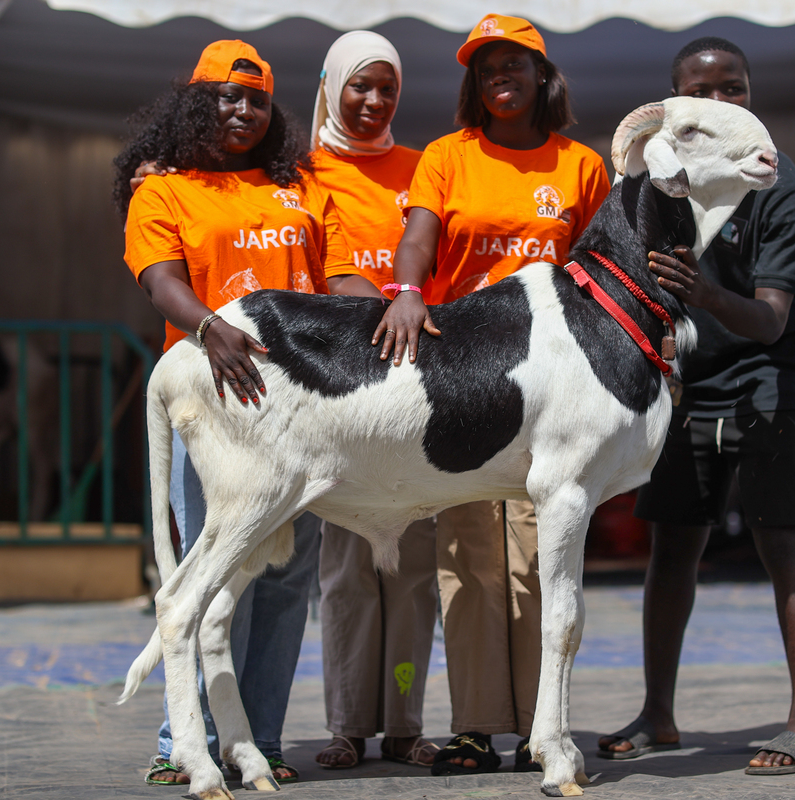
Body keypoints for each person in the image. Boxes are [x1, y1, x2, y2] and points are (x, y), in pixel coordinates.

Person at [596, 37, 795, 774]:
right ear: (673, 106)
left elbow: (769, 321)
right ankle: (658, 714)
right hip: (689, 382)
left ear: (751, 94)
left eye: (733, 88)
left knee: (781, 541)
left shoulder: (780, 186)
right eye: (702, 93)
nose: (721, 102)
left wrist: (702, 293)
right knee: (672, 546)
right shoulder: (662, 184)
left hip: (768, 380)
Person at [374, 14, 610, 775]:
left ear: (543, 75)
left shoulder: (582, 166)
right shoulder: (448, 156)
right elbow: (419, 236)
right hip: (468, 376)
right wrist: (408, 291)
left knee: (544, 557)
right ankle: (475, 727)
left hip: (556, 382)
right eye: (484, 68)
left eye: (513, 63)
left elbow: (601, 270)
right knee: (469, 553)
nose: (499, 76)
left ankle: (545, 728)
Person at [117, 39, 347, 786]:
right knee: (214, 571)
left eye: (258, 101)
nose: (244, 110)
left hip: (301, 409)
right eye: (227, 96)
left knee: (284, 578)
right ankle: (184, 740)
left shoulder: (301, 187)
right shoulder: (164, 191)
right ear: (195, 104)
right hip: (213, 405)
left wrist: (403, 310)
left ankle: (263, 740)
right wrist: (210, 326)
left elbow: (341, 277)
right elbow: (160, 279)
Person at [304, 30, 441, 771]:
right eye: (360, 84)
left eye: (387, 88)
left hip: (419, 392)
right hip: (343, 395)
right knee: (349, 568)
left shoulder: (423, 168)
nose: (374, 100)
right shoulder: (299, 171)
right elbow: (323, 269)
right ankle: (347, 726)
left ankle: (405, 723)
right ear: (331, 86)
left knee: (413, 569)